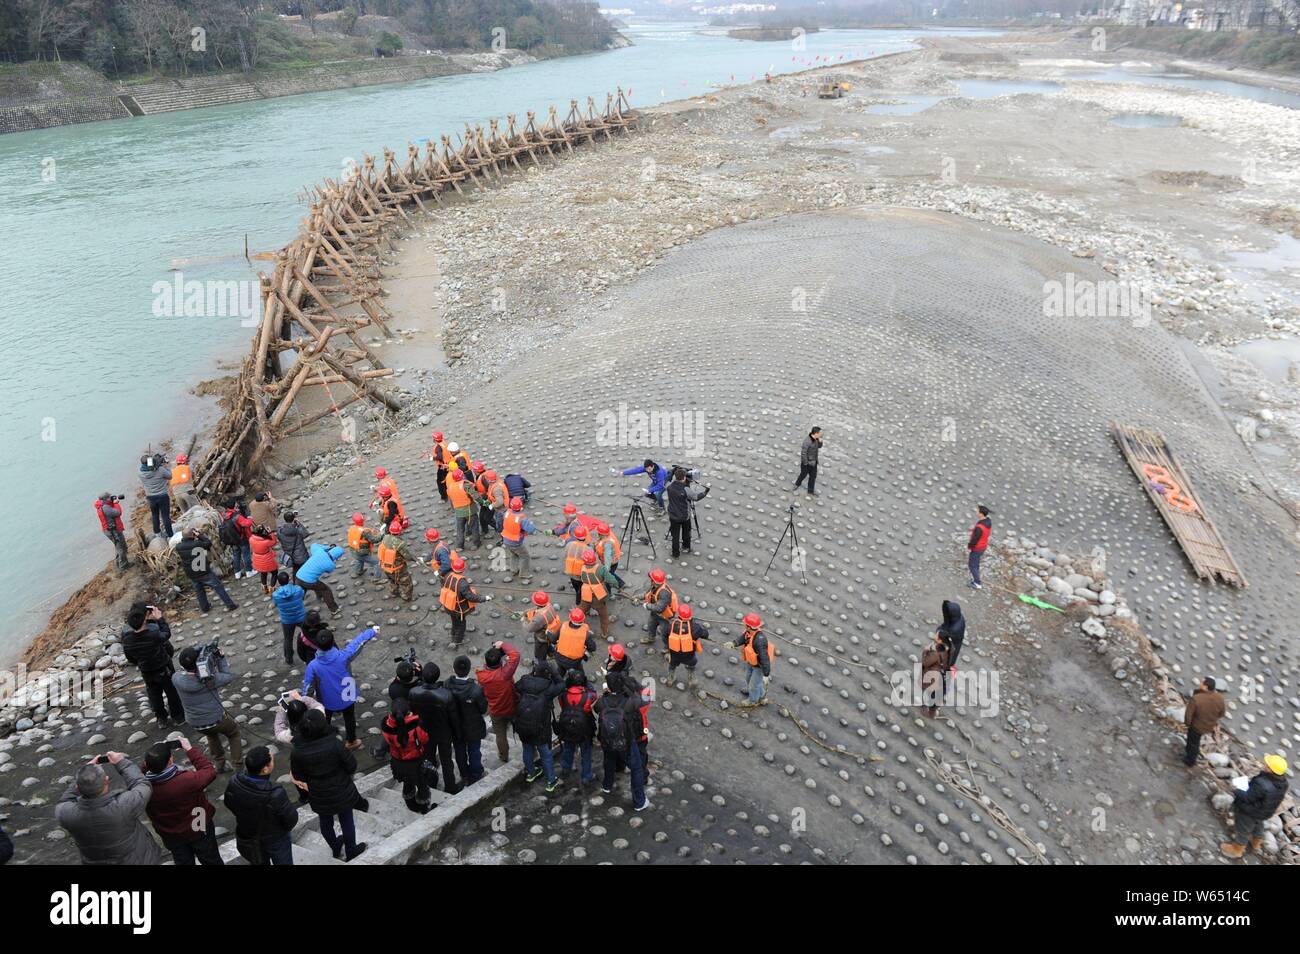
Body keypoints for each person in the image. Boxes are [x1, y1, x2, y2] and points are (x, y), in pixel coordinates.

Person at [290, 709, 368, 861]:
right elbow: (351, 765)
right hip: (341, 789)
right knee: (346, 820)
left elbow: (299, 776)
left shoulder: (297, 751)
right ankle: (351, 849)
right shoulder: (335, 743)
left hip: (318, 793)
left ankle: (335, 846)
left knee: (325, 822)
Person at [56, 753, 161, 865]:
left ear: (77, 787)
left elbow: (64, 800)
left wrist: (84, 777)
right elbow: (142, 785)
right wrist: (122, 763)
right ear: (106, 781)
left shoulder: (66, 814)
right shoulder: (123, 806)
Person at [143, 737, 222, 865]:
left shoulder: (143, 787)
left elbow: (141, 771)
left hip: (171, 834)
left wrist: (153, 756)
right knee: (210, 859)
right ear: (170, 760)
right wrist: (189, 749)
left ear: (147, 765)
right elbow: (209, 771)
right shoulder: (186, 780)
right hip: (199, 825)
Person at [302, 625, 378, 750]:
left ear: (317, 645)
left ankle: (324, 742)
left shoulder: (313, 666)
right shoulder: (343, 656)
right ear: (333, 642)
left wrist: (304, 703)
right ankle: (351, 741)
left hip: (326, 700)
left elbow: (308, 688)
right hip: (347, 695)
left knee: (325, 720)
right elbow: (358, 643)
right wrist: (372, 631)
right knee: (349, 718)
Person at [223, 746, 298, 865]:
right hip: (275, 838)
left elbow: (228, 802)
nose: (274, 762)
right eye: (272, 760)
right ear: (265, 769)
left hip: (249, 834)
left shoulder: (234, 781)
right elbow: (291, 819)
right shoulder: (275, 793)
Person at [174, 645, 243, 773]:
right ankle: (238, 767)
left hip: (195, 723)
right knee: (234, 733)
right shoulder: (210, 680)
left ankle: (220, 764)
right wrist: (220, 659)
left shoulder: (176, 678)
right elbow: (228, 676)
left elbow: (189, 673)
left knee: (211, 735)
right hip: (216, 719)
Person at [121, 603, 184, 727]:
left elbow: (131, 659)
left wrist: (140, 662)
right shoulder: (153, 634)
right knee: (171, 692)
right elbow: (166, 634)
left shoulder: (127, 640)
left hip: (146, 670)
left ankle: (161, 719)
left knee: (154, 695)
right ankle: (178, 717)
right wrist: (160, 618)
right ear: (144, 619)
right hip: (163, 667)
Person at [595, 680, 650, 811]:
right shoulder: (630, 701)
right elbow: (646, 700)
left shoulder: (603, 701)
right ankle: (639, 801)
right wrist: (635, 687)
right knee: (636, 768)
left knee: (609, 761)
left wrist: (605, 694)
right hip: (626, 741)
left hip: (607, 739)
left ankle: (607, 786)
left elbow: (596, 709)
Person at [1221, 755, 1289, 858]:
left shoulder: (1262, 784)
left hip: (1249, 812)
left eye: (1267, 764)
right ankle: (1256, 842)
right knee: (1258, 824)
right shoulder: (1283, 783)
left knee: (1242, 829)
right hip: (1265, 812)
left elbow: (1247, 797)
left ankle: (1237, 849)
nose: (1264, 764)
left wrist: (1236, 789)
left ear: (1270, 770)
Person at [408, 662, 461, 794]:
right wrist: (457, 734)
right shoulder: (446, 695)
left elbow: (413, 712)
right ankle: (450, 786)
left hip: (424, 731)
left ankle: (431, 783)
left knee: (428, 759)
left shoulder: (413, 692)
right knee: (446, 761)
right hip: (443, 732)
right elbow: (454, 718)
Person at [513, 660, 564, 791]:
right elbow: (562, 684)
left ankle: (531, 773)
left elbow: (516, 687)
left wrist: (532, 674)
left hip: (524, 723)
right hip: (541, 726)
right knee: (545, 753)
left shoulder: (524, 681)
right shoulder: (549, 688)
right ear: (548, 673)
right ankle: (551, 781)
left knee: (527, 748)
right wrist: (554, 672)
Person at [382, 698, 433, 813]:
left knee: (407, 783)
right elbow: (425, 739)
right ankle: (424, 808)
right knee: (422, 785)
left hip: (397, 762)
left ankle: (412, 806)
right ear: (408, 712)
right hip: (415, 762)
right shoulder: (416, 726)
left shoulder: (386, 727)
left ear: (391, 713)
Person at [477, 640, 521, 765]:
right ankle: (531, 748)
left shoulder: (481, 675)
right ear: (500, 661)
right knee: (521, 728)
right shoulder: (505, 673)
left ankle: (504, 756)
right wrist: (502, 645)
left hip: (496, 710)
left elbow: (485, 669)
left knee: (500, 735)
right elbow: (515, 655)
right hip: (512, 706)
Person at [447, 655, 488, 784]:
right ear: (469, 669)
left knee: (459, 751)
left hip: (455, 726)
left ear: (454, 669)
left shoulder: (447, 685)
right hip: (473, 727)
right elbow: (483, 709)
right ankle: (476, 774)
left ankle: (464, 775)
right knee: (474, 751)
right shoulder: (476, 689)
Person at [177, 529, 238, 613]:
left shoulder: (178, 546)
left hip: (191, 573)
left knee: (199, 591)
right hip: (203, 570)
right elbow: (208, 543)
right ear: (192, 535)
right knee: (218, 587)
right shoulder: (197, 543)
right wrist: (199, 535)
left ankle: (205, 608)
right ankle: (230, 605)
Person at [556, 668, 598, 785]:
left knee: (568, 747)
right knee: (586, 751)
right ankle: (586, 776)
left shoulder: (563, 695)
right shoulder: (589, 695)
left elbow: (562, 705)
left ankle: (566, 768)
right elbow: (595, 694)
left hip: (567, 726)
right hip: (585, 727)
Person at [440, 555, 489, 647]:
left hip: (448, 605)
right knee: (462, 624)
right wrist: (484, 598)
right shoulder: (463, 583)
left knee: (454, 621)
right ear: (463, 569)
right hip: (458, 609)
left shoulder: (447, 575)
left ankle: (453, 633)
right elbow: (471, 597)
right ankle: (457, 640)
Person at [727, 612, 771, 706]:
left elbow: (765, 659)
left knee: (754, 685)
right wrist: (733, 643)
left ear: (749, 626)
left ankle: (753, 700)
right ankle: (759, 693)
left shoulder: (759, 641)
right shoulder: (749, 633)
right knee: (748, 678)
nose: (744, 625)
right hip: (751, 662)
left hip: (759, 666)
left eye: (745, 624)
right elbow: (742, 638)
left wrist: (766, 674)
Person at [666, 468, 710, 558]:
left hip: (673, 515)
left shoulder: (669, 487)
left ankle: (675, 554)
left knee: (675, 536)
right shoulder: (686, 489)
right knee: (686, 532)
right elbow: (696, 497)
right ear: (684, 478)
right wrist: (705, 492)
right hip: (684, 516)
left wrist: (672, 473)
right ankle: (686, 547)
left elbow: (667, 481)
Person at [1184, 677, 1226, 767]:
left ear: (1206, 687)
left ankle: (1190, 760)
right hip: (1209, 725)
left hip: (1196, 726)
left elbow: (1188, 715)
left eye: (1202, 683)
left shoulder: (1196, 698)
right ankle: (1191, 755)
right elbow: (1222, 714)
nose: (1200, 683)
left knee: (1193, 742)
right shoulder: (1220, 698)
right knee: (1195, 741)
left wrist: (1188, 724)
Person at [666, 604, 709, 689]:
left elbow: (665, 634)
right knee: (692, 663)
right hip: (688, 655)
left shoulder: (672, 625)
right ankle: (691, 678)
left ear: (679, 615)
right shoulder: (696, 628)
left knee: (672, 664)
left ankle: (671, 678)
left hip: (674, 653)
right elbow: (705, 634)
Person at [296, 542, 344, 616]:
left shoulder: (319, 551)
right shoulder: (331, 565)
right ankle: (334, 609)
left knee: (301, 594)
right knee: (325, 590)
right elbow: (329, 571)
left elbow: (313, 545)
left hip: (299, 576)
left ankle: (296, 608)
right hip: (309, 581)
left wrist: (327, 547)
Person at [577, 548, 614, 640]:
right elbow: (611, 580)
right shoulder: (601, 569)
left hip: (586, 595)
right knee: (603, 615)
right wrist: (617, 585)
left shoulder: (582, 568)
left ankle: (575, 626)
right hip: (598, 596)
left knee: (580, 611)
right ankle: (604, 633)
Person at [271, 570, 307, 665]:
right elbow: (302, 595)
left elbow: (274, 604)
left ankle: (289, 659)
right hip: (301, 617)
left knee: (288, 639)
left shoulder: (276, 595)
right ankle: (311, 652)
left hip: (287, 620)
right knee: (308, 634)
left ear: (279, 582)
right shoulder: (298, 589)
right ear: (288, 579)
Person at [499, 497, 538, 579]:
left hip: (506, 539)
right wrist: (531, 524)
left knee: (513, 554)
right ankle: (524, 573)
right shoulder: (522, 519)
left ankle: (514, 570)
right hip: (516, 542)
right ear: (521, 506)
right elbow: (531, 530)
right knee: (525, 556)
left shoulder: (506, 513)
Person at [138, 450, 174, 538]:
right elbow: (170, 476)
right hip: (162, 496)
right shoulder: (160, 470)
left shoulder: (140, 473)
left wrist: (154, 463)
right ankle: (170, 535)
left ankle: (157, 534)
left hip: (150, 497)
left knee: (155, 515)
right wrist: (165, 465)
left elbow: (150, 468)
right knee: (165, 516)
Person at [378, 521, 415, 602]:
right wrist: (415, 559)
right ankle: (406, 596)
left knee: (392, 579)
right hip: (397, 568)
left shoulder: (385, 537)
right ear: (400, 531)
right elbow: (408, 556)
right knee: (406, 582)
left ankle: (394, 591)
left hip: (385, 566)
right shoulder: (400, 544)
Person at [446, 468, 482, 551]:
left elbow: (451, 500)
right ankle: (476, 543)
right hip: (469, 510)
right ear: (462, 476)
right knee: (474, 527)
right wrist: (483, 503)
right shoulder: (466, 485)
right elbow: (475, 496)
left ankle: (459, 545)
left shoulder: (450, 487)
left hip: (458, 512)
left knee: (460, 529)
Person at [641, 567, 677, 648]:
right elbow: (648, 594)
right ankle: (651, 638)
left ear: (654, 581)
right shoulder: (655, 586)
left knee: (664, 633)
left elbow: (659, 608)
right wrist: (638, 597)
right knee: (651, 625)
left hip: (664, 617)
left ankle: (668, 647)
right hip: (655, 614)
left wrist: (647, 606)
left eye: (651, 579)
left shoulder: (664, 593)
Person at [95, 492, 131, 572]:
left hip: (110, 530)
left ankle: (119, 564)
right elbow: (118, 513)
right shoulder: (106, 508)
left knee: (118, 547)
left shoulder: (102, 506)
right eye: (109, 497)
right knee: (121, 547)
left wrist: (112, 503)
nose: (110, 498)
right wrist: (116, 504)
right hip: (113, 531)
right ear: (105, 499)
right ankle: (123, 566)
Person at [220, 497, 255, 579]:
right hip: (241, 538)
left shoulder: (224, 515)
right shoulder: (237, 516)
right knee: (246, 555)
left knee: (236, 556)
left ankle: (237, 573)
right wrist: (249, 518)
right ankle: (249, 571)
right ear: (235, 505)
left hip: (232, 540)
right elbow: (247, 524)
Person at [937, 599, 966, 698]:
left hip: (953, 646)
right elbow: (946, 624)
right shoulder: (959, 618)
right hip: (954, 642)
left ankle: (944, 689)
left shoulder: (955, 628)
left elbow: (945, 634)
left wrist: (939, 634)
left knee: (948, 663)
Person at [555, 607, 597, 676]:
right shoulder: (586, 634)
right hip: (574, 662)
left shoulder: (563, 626)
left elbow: (553, 640)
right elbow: (593, 648)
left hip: (559, 658)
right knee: (579, 674)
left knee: (560, 671)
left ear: (570, 619)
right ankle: (579, 683)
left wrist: (548, 633)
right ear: (582, 620)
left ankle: (558, 682)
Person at [524, 590, 561, 664]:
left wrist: (524, 621)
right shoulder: (549, 605)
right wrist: (526, 612)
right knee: (548, 645)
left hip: (542, 638)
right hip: (551, 633)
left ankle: (542, 665)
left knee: (539, 655)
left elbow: (529, 628)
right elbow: (537, 608)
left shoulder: (539, 618)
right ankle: (552, 653)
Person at [920, 634, 950, 718]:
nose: (935, 635)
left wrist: (925, 651)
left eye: (937, 635)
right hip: (939, 675)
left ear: (940, 640)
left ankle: (928, 711)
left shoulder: (935, 653)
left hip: (931, 675)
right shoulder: (946, 650)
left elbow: (925, 662)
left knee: (928, 692)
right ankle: (933, 709)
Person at [347, 512, 383, 580]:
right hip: (362, 553)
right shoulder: (365, 532)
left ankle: (358, 571)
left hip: (353, 551)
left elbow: (360, 537)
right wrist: (381, 535)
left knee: (359, 560)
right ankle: (377, 579)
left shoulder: (352, 528)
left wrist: (371, 532)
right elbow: (374, 540)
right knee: (376, 562)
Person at [562, 524, 591, 605]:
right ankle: (579, 604)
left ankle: (579, 600)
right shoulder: (588, 549)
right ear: (585, 536)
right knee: (581, 591)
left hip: (570, 572)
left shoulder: (569, 545)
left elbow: (565, 557)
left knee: (576, 587)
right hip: (581, 575)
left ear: (575, 535)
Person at [593, 521, 625, 590]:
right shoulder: (607, 536)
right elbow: (598, 543)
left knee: (608, 576)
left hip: (611, 563)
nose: (597, 534)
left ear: (601, 534)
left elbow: (607, 558)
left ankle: (610, 591)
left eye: (598, 533)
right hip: (613, 561)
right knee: (611, 574)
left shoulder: (607, 544)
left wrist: (606, 570)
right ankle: (621, 584)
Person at [967, 505, 993, 590]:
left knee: (972, 565)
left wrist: (969, 546)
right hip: (983, 546)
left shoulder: (980, 527)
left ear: (981, 514)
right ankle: (976, 578)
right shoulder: (988, 522)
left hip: (977, 548)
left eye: (977, 511)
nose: (976, 512)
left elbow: (975, 540)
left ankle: (977, 583)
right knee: (976, 564)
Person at [249, 523, 279, 593]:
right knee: (274, 572)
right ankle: (272, 589)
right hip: (266, 558)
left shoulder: (251, 539)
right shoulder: (266, 542)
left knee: (263, 573)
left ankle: (265, 589)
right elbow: (274, 542)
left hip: (257, 558)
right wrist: (270, 533)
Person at [793, 426, 822, 496]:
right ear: (816, 433)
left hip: (814, 462)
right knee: (803, 475)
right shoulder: (807, 441)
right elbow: (803, 453)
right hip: (807, 463)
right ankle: (797, 484)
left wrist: (820, 442)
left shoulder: (817, 439)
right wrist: (806, 463)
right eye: (820, 433)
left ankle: (810, 490)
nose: (821, 434)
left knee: (813, 476)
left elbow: (819, 446)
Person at [430, 431, 451, 501]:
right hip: (448, 465)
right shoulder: (444, 443)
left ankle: (444, 496)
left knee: (441, 482)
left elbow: (440, 457)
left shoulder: (438, 447)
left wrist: (433, 458)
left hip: (443, 467)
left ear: (435, 439)